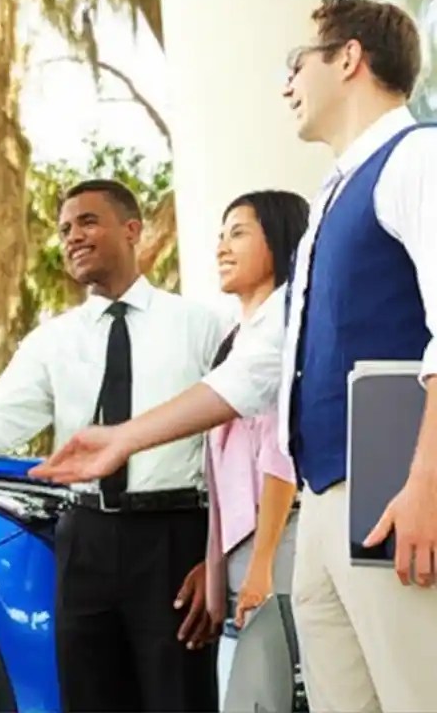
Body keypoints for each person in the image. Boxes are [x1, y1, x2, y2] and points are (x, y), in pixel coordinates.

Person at [31, 0, 437, 712]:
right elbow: (254, 373)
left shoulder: (418, 159)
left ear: (348, 59)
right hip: (326, 509)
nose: (286, 85)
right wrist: (122, 439)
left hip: (390, 494)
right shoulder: (330, 204)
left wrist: (426, 485)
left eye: (296, 64)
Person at [0, 179, 229, 712]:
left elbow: (234, 440)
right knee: (89, 698)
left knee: (178, 699)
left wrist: (217, 556)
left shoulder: (202, 326)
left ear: (132, 230)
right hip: (85, 540)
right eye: (65, 229)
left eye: (88, 222)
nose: (73, 237)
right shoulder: (52, 341)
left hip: (174, 540)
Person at [205, 190, 308, 709]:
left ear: (279, 241)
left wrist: (263, 563)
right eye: (221, 234)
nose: (221, 246)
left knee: (280, 693)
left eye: (238, 233)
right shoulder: (232, 341)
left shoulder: (285, 334)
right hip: (245, 552)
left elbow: (280, 458)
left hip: (281, 541)